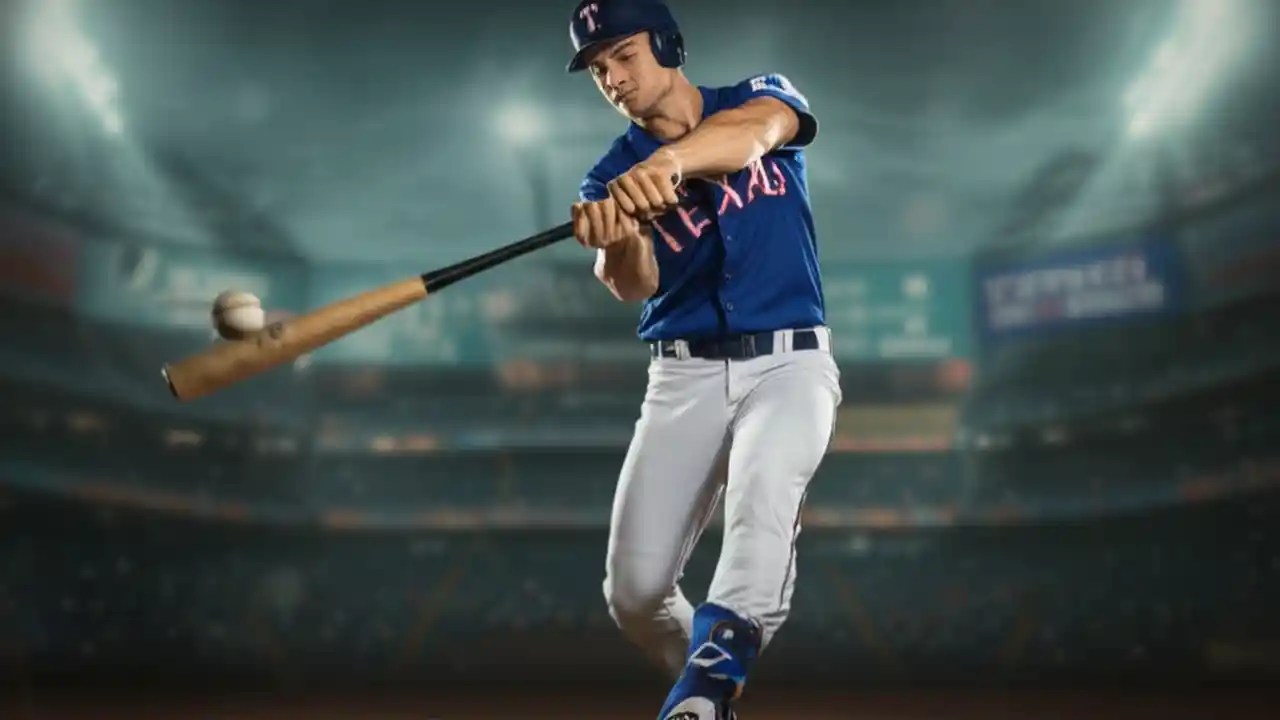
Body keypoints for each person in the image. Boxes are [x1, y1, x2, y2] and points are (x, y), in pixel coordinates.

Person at [565, 1, 843, 718]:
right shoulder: (607, 176)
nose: (612, 77)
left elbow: (757, 137)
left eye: (623, 54)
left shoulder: (758, 95)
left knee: (762, 499)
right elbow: (633, 284)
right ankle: (708, 682)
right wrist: (618, 230)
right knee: (633, 593)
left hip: (789, 364)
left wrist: (670, 164)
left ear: (667, 43)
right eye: (598, 68)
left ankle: (705, 692)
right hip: (682, 376)